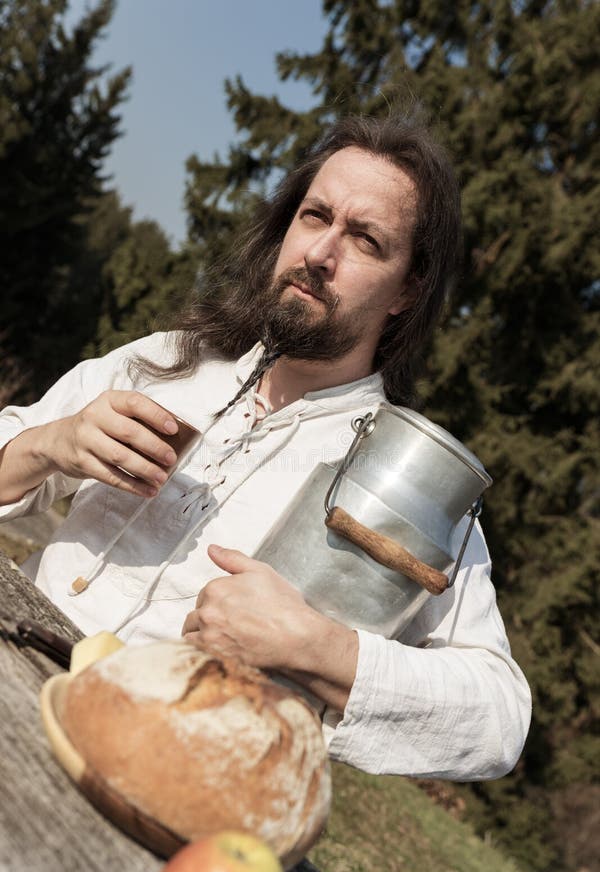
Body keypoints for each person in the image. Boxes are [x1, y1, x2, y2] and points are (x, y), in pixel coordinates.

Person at [0, 114, 531, 780]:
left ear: (408, 291)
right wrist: (48, 444)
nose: (321, 253)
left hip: (148, 785)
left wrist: (322, 650)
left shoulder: (405, 481)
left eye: (364, 239)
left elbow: (500, 719)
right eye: (315, 217)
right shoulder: (166, 361)